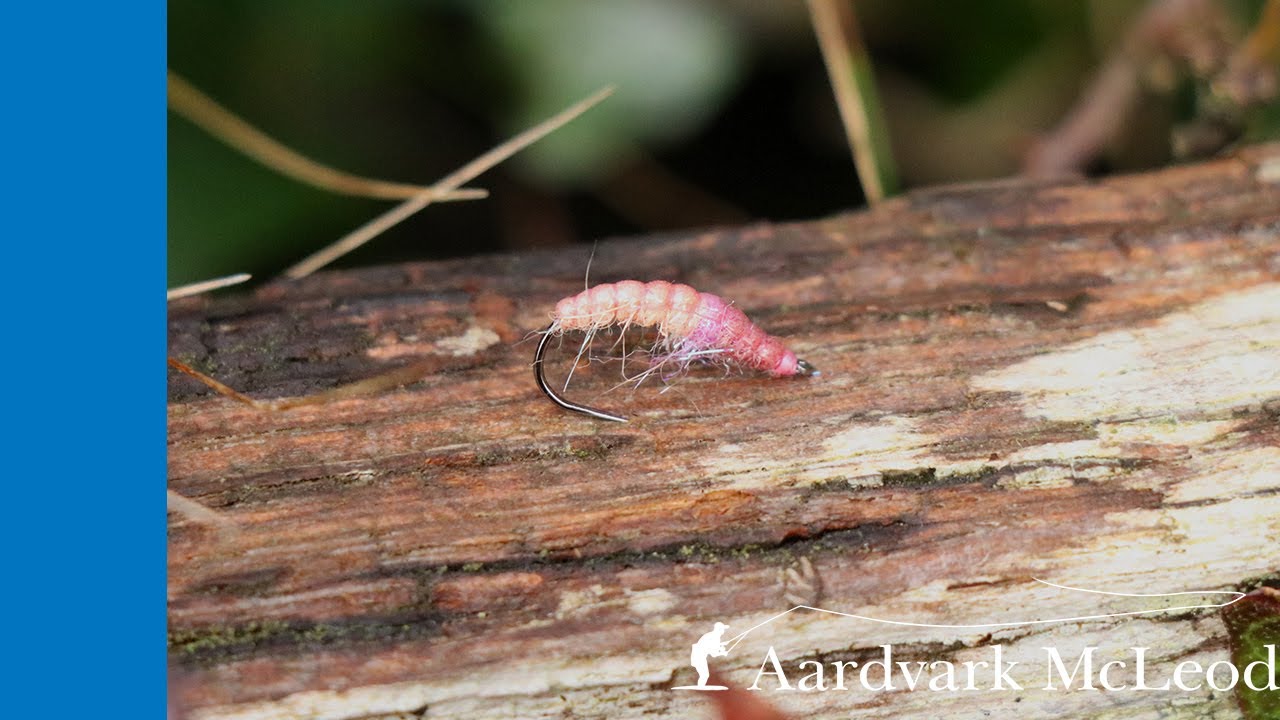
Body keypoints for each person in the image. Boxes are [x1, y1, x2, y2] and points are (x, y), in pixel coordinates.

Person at [690, 622, 730, 686]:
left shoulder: (711, 635)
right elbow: (714, 654)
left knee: (704, 675)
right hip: (699, 657)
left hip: (698, 656)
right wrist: (722, 653)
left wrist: (721, 644)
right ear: (719, 629)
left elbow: (710, 646)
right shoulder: (715, 637)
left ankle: (700, 687)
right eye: (723, 629)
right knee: (704, 675)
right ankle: (700, 687)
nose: (723, 631)